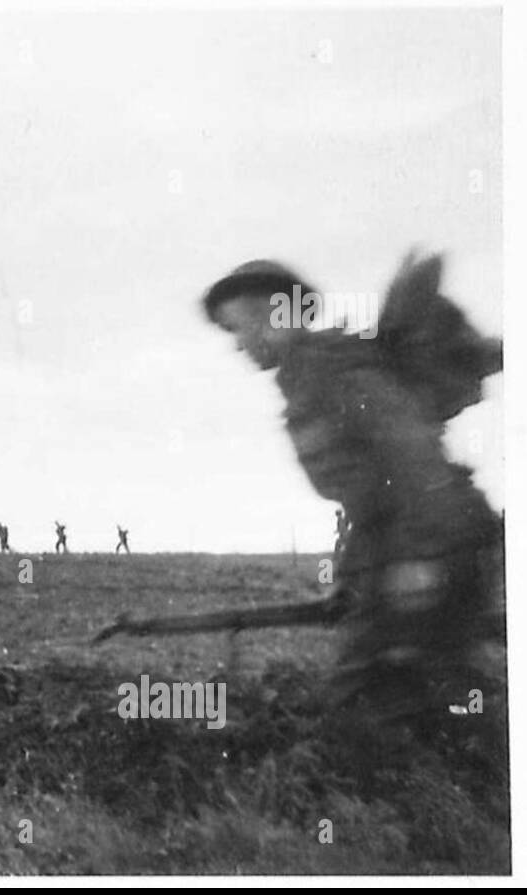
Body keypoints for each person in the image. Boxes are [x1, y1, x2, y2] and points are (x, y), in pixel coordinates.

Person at [202, 252, 503, 732]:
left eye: (239, 328)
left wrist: (418, 562)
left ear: (273, 315)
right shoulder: (309, 373)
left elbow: (411, 453)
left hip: (435, 541)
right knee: (417, 693)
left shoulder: (331, 368)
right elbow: (372, 495)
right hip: (415, 541)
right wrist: (355, 577)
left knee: (372, 706)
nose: (238, 346)